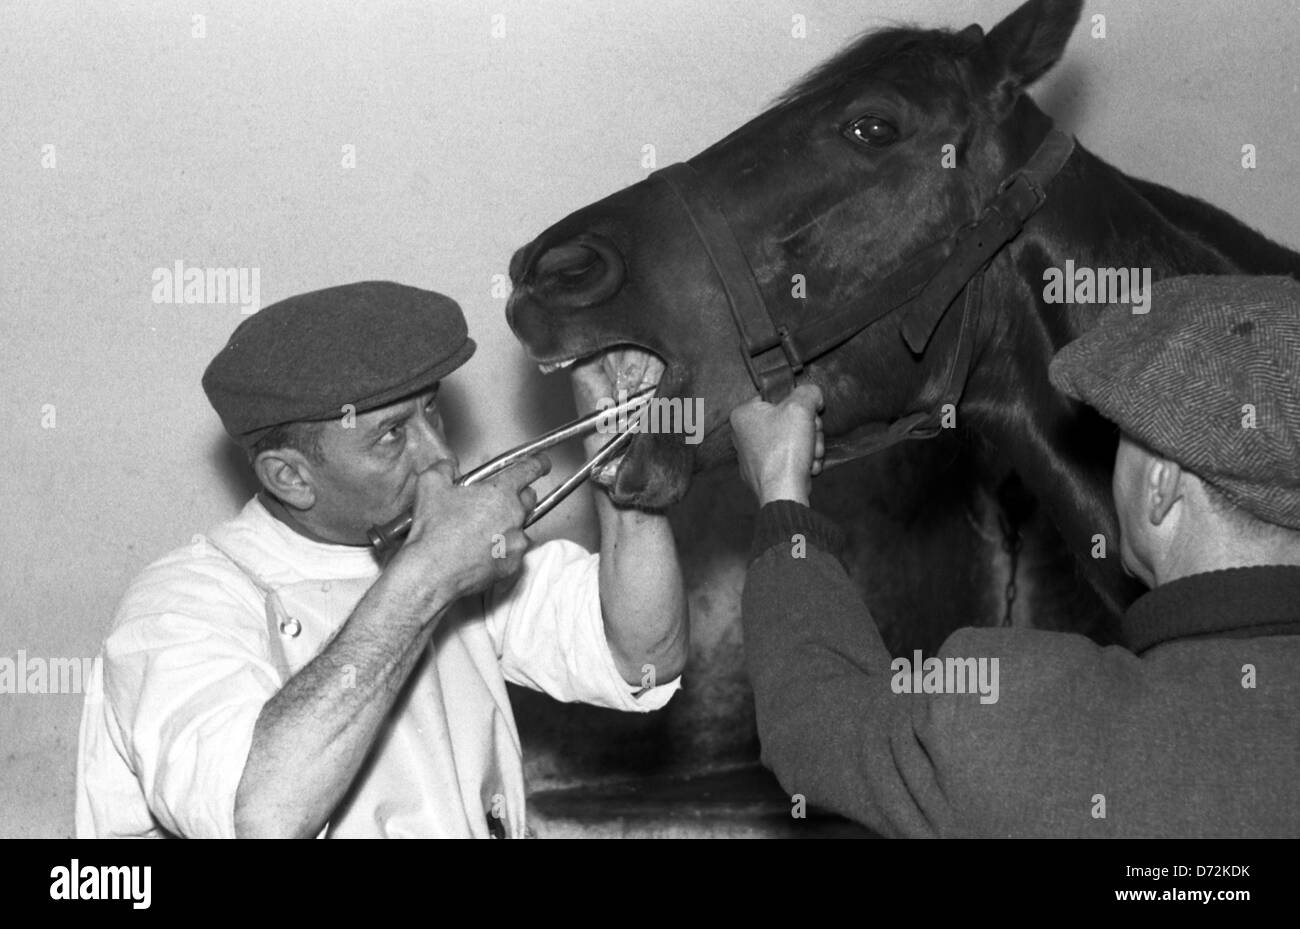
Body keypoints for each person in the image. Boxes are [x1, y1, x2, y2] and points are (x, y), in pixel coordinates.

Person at [75, 280, 687, 838]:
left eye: (432, 411)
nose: (439, 459)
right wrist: (428, 576)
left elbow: (642, 657)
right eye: (392, 435)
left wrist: (624, 471)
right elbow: (260, 815)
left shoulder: (443, 546)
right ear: (290, 477)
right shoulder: (180, 607)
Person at [728, 274, 1300, 837]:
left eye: (1124, 435)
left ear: (1163, 486)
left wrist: (781, 485)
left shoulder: (1014, 723)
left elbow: (815, 715)